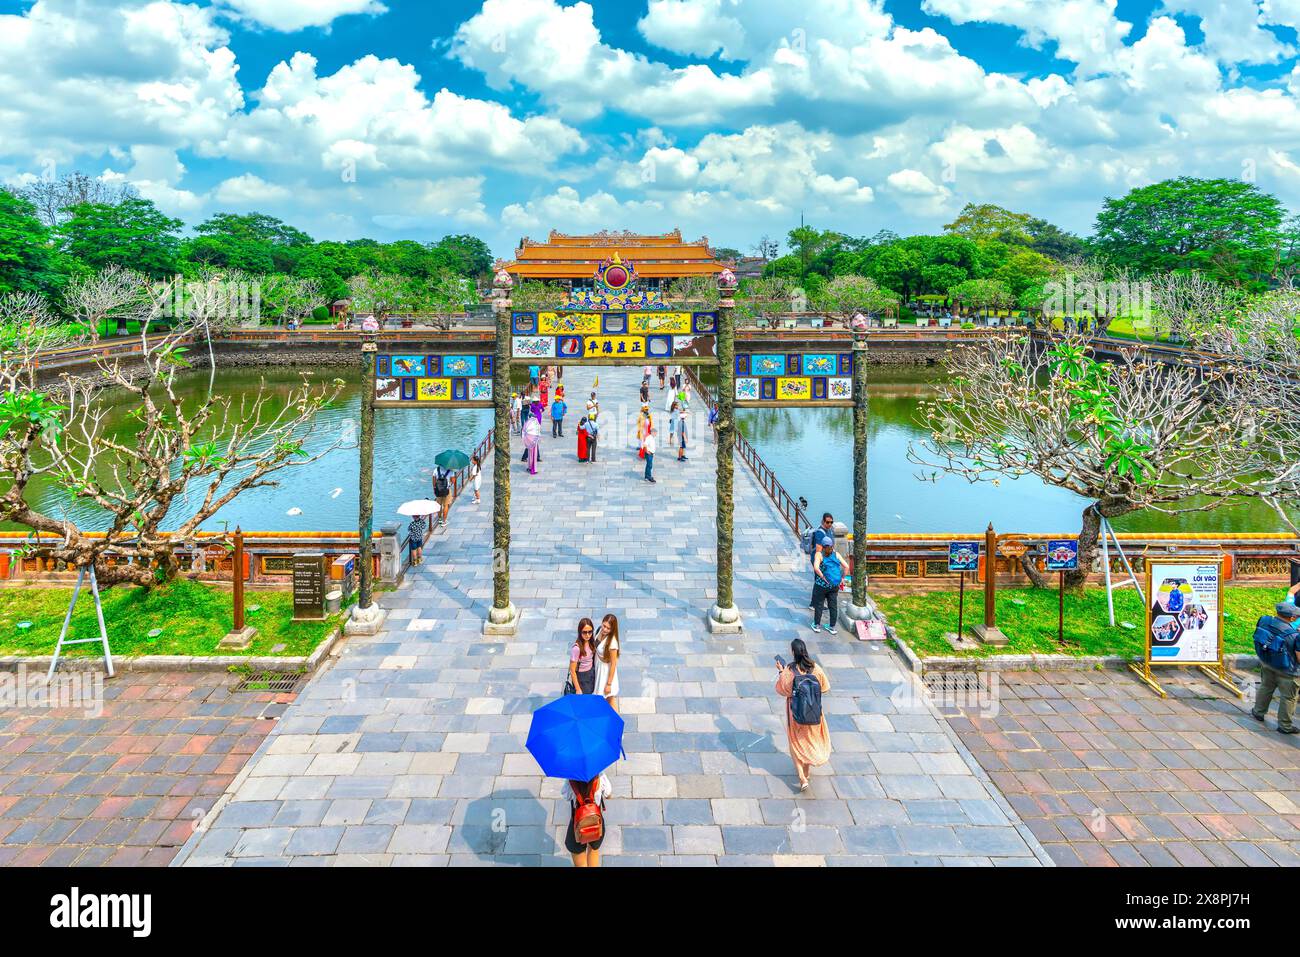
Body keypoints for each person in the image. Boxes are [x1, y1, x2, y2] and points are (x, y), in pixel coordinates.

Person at [774, 638, 832, 791]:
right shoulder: (816, 668)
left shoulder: (789, 670)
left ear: (793, 652)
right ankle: (806, 771)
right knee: (809, 740)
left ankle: (801, 776)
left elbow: (782, 690)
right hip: (814, 714)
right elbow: (825, 688)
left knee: (795, 742)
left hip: (796, 714)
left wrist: (781, 671)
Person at [1252, 600, 1300, 733]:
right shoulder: (1295, 636)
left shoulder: (1264, 621)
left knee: (1266, 687)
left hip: (1267, 663)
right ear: (1292, 618)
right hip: (1288, 672)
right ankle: (1285, 726)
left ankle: (1258, 712)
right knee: (1288, 698)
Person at [562, 772, 611, 867]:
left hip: (578, 825)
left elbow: (566, 796)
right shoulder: (600, 775)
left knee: (578, 853)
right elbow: (608, 794)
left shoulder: (570, 779)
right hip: (596, 821)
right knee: (593, 849)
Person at [811, 540, 843, 633]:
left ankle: (816, 625)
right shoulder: (836, 554)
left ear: (822, 546)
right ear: (832, 545)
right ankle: (832, 627)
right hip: (834, 585)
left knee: (819, 604)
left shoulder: (819, 554)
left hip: (821, 585)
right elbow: (846, 567)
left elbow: (816, 568)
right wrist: (842, 578)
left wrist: (823, 577)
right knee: (833, 606)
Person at [807, 513, 836, 608]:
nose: (829, 524)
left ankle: (818, 603)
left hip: (825, 559)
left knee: (821, 581)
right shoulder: (820, 533)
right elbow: (819, 549)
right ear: (823, 521)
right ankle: (814, 604)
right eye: (827, 522)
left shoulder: (829, 530)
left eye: (831, 522)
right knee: (819, 581)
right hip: (819, 560)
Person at [594, 614, 621, 713]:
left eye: (608, 628)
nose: (604, 629)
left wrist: (609, 684)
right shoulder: (599, 631)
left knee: (608, 698)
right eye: (604, 626)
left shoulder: (613, 643)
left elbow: (614, 664)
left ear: (612, 629)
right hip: (599, 667)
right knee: (607, 699)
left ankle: (615, 722)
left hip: (606, 672)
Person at [568, 618, 597, 695]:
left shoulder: (592, 643)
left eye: (590, 632)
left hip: (591, 674)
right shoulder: (576, 648)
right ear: (580, 632)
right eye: (584, 632)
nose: (587, 635)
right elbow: (572, 670)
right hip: (582, 678)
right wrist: (578, 689)